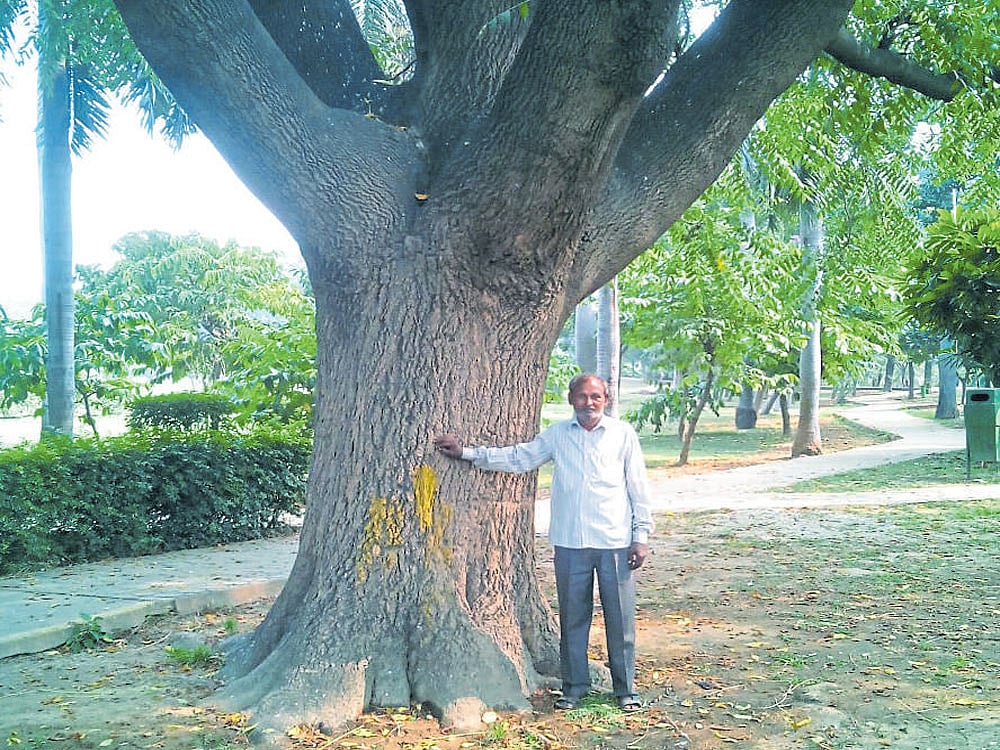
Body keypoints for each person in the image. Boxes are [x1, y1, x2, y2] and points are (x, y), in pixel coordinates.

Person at [435, 373, 653, 712]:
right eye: (582, 396)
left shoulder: (623, 435)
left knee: (620, 619)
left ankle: (625, 690)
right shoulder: (558, 436)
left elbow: (638, 488)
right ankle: (575, 687)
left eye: (595, 396)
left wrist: (640, 537)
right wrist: (467, 453)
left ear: (605, 400)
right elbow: (519, 457)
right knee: (572, 618)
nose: (589, 402)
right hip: (570, 543)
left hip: (615, 542)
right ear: (571, 400)